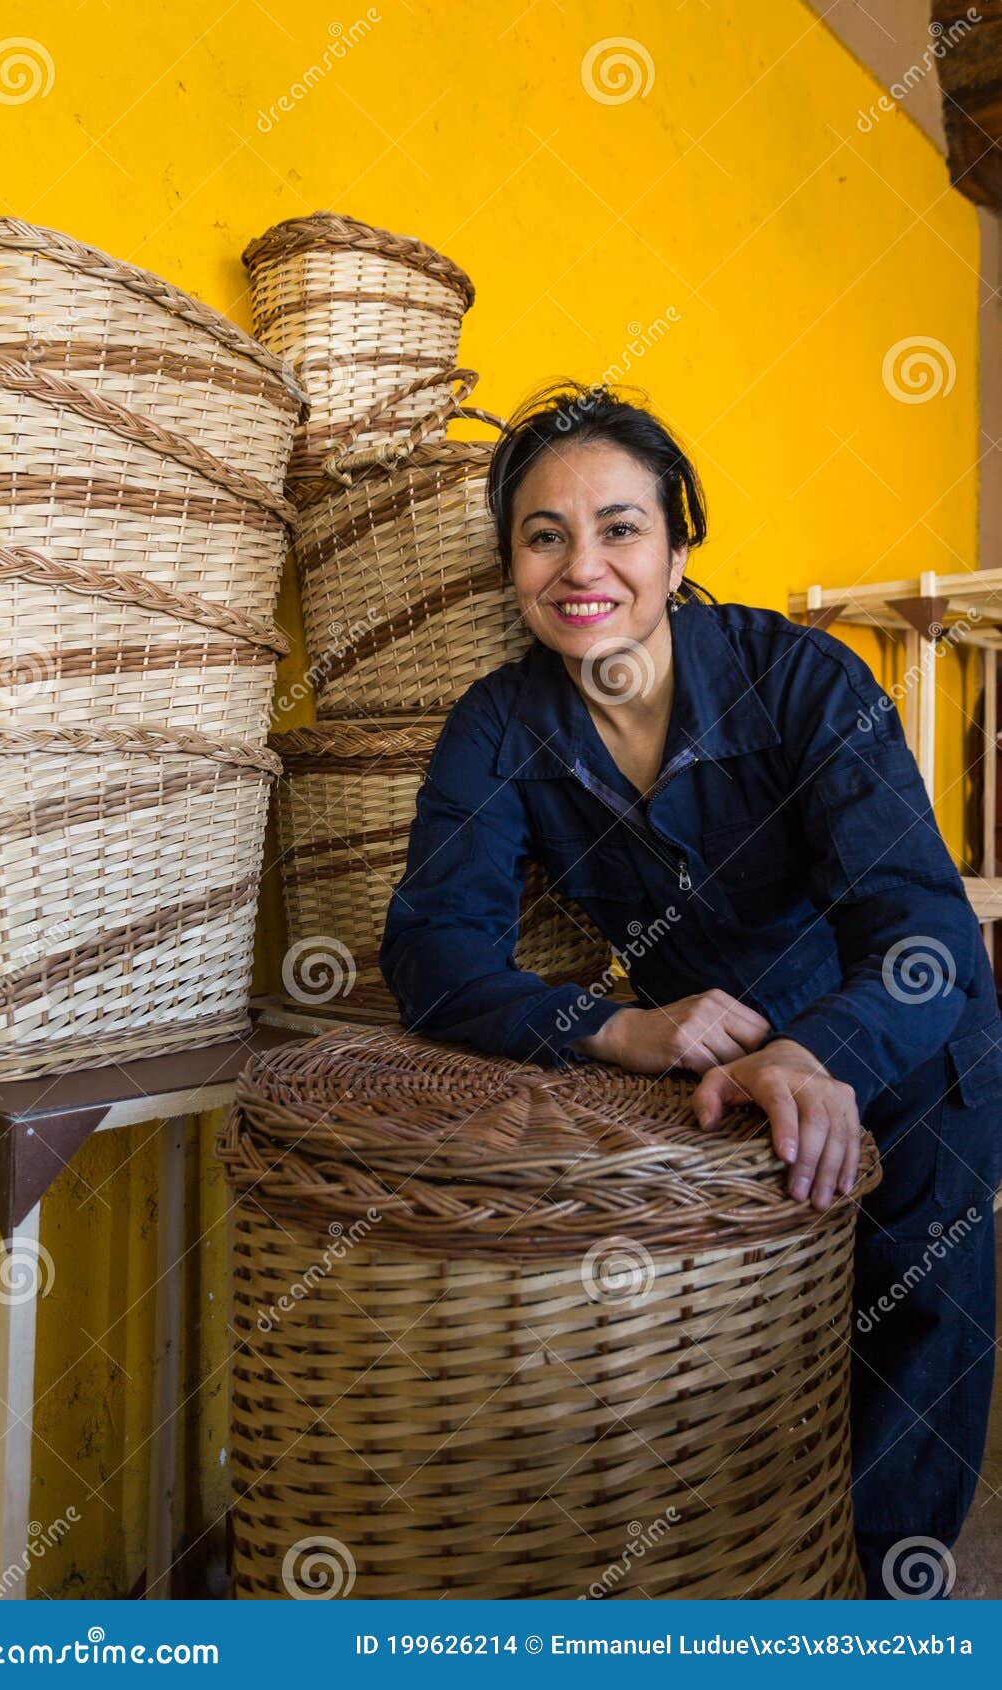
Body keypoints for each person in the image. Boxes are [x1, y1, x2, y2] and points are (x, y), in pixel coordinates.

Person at [378, 381, 1002, 1599]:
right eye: (542, 534)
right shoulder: (500, 725)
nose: (580, 567)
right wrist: (614, 1025)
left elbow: (922, 930)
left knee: (910, 1361)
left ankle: (880, 1630)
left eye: (618, 527)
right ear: (511, 560)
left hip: (908, 1055)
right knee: (747, 1384)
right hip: (708, 1083)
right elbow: (432, 952)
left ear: (675, 545)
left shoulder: (805, 684)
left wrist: (815, 1052)